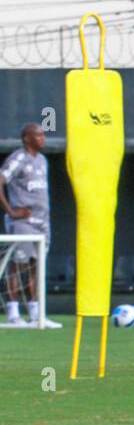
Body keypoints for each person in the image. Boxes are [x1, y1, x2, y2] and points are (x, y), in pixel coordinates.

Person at [0, 123, 61, 328]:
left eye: (44, 135)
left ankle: (37, 314)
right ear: (27, 138)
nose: (43, 139)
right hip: (22, 223)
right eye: (39, 135)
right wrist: (11, 211)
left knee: (37, 266)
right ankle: (14, 313)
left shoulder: (42, 160)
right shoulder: (18, 158)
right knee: (17, 266)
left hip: (42, 222)